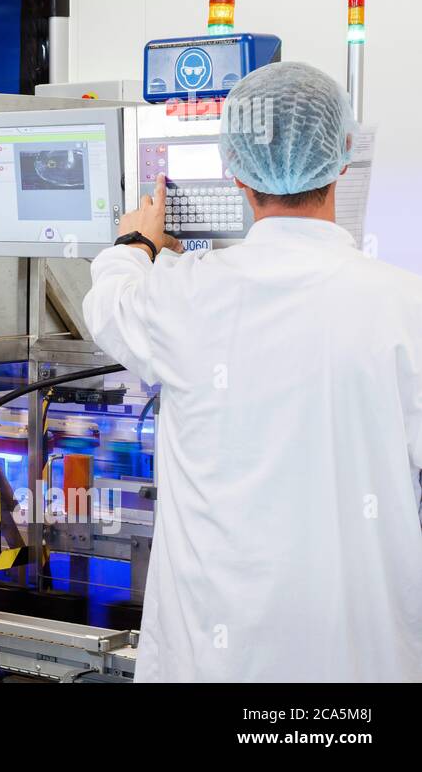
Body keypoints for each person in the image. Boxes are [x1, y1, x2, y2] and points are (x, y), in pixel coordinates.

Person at [82, 62, 422, 682]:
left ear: (235, 170)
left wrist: (136, 244)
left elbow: (109, 308)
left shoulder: (186, 296)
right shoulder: (406, 306)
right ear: (343, 156)